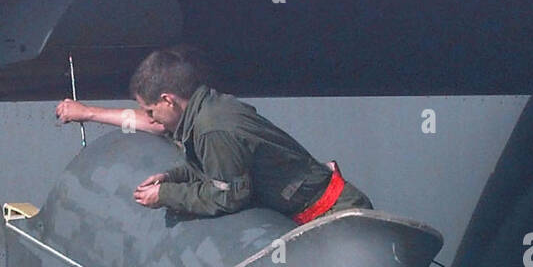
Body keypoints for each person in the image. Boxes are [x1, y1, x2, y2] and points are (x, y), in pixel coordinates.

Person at [56, 46, 372, 220]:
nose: (151, 119)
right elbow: (217, 170)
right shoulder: (207, 110)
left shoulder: (212, 129)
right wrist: (173, 177)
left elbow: (229, 196)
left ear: (168, 100)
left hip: (335, 216)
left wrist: (165, 196)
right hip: (322, 212)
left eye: (151, 110)